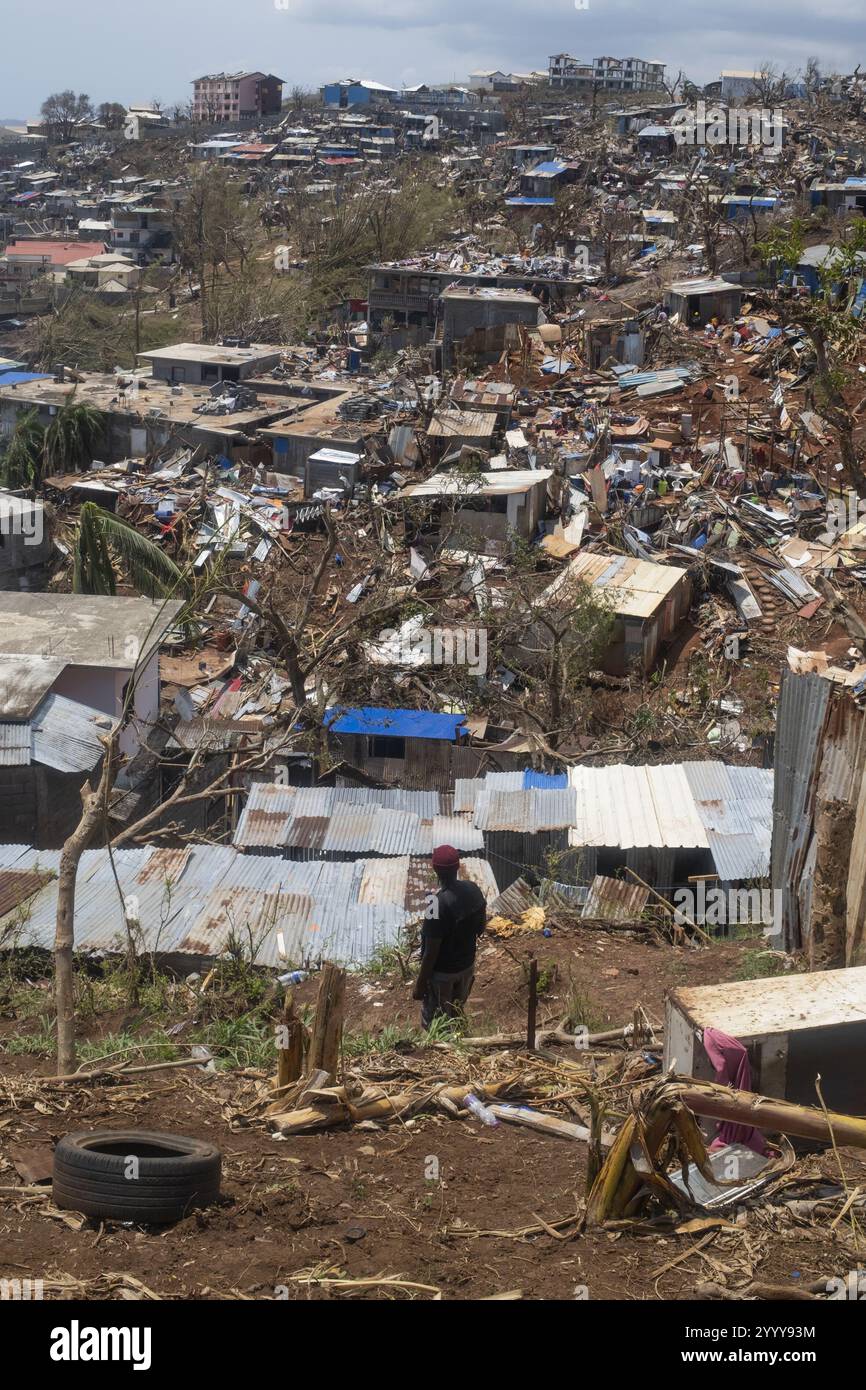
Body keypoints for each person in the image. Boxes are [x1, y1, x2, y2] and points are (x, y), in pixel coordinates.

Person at [413, 844, 487, 1031]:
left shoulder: (434, 904)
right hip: (466, 967)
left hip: (442, 976)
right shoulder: (473, 889)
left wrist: (420, 985)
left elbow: (431, 952)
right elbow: (481, 928)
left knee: (436, 1023)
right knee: (457, 1010)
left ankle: (443, 1054)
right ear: (457, 867)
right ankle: (462, 1042)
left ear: (435, 869)